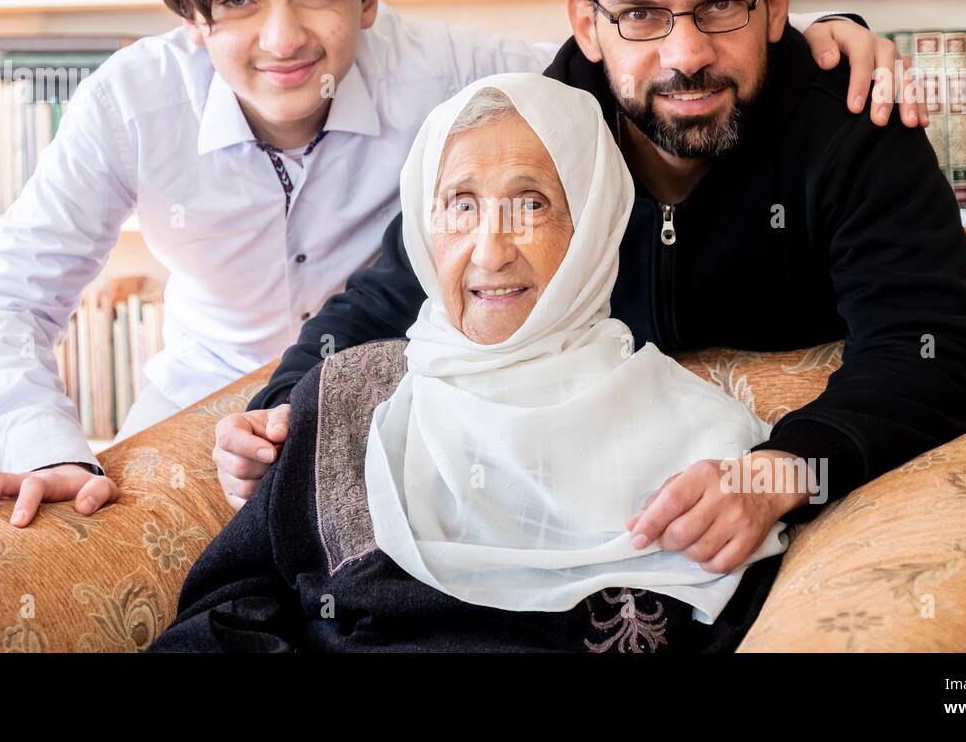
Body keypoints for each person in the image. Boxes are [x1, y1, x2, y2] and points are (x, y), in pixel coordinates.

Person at [0, 0, 899, 527]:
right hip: (207, 416)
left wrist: (818, 42)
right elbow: (5, 303)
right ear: (192, 17)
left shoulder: (461, 75)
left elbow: (639, 58)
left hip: (422, 409)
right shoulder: (127, 104)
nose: (282, 38)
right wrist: (47, 448)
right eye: (236, 1)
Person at [223, 0, 966, 550]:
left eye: (722, 6)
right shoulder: (538, 127)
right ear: (588, 25)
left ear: (775, 1)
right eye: (641, 16)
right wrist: (281, 410)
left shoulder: (857, 127)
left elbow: (929, 346)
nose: (686, 55)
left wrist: (781, 473)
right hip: (567, 494)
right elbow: (390, 293)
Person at [150, 74, 801, 653]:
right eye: (461, 204)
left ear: (596, 223)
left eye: (531, 204)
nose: (489, 252)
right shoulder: (345, 401)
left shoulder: (708, 455)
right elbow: (229, 609)